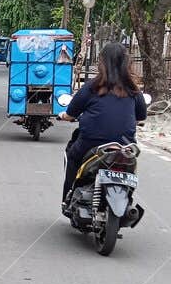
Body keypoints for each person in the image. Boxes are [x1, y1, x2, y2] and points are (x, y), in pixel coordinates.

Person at [60, 43, 148, 207]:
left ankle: (68, 199)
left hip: (90, 144)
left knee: (72, 156)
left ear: (102, 62)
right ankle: (128, 198)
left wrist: (64, 116)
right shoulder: (133, 90)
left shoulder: (91, 87)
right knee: (131, 166)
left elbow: (71, 113)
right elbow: (141, 117)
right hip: (125, 146)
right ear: (126, 63)